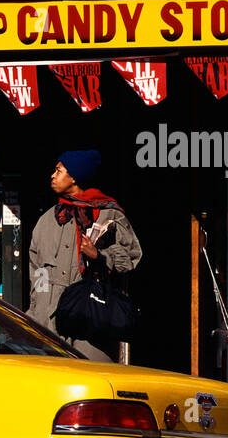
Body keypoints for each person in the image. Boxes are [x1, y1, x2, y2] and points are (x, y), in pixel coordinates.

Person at [26, 149, 142, 362]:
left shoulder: (108, 214)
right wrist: (37, 312)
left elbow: (132, 256)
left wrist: (99, 256)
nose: (52, 175)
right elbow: (37, 271)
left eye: (59, 171)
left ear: (75, 177)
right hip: (49, 329)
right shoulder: (46, 221)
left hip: (91, 327)